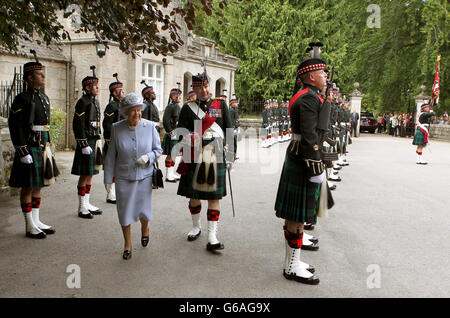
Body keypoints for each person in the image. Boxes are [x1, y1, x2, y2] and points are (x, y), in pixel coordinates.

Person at [274, 56, 329, 285]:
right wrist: (316, 163)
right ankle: (292, 266)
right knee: (296, 217)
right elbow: (309, 135)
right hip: (303, 160)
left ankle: (292, 262)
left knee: (294, 217)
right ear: (311, 77)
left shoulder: (309, 95)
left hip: (298, 157)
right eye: (322, 73)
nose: (325, 76)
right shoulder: (308, 99)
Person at [175, 71, 235, 252]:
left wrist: (231, 156)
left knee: (214, 197)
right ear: (193, 88)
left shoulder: (220, 105)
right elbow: (180, 133)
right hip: (194, 155)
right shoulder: (187, 108)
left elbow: (230, 130)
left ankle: (212, 236)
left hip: (215, 153)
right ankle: (196, 226)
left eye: (206, 86)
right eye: (199, 87)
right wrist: (187, 140)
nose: (204, 90)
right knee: (194, 196)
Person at [104, 93, 162, 260]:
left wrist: (148, 157)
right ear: (125, 112)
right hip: (123, 176)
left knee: (144, 211)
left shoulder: (150, 126)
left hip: (145, 176)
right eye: (133, 111)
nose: (137, 114)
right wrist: (108, 179)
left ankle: (145, 229)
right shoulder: (116, 128)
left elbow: (158, 150)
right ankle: (127, 244)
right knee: (124, 212)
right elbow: (111, 155)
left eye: (139, 110)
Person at [8, 58, 57, 238]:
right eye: (39, 73)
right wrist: (22, 150)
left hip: (42, 145)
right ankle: (29, 225)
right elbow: (15, 125)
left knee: (39, 185)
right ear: (29, 78)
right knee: (28, 186)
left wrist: (48, 146)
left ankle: (36, 220)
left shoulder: (43, 97)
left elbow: (46, 125)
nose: (43, 76)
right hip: (29, 145)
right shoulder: (22, 98)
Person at [71, 67, 103, 219]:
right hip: (86, 142)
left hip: (94, 140)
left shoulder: (95, 102)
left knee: (91, 173)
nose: (98, 88)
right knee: (84, 174)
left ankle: (87, 203)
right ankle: (81, 206)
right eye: (95, 85)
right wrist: (83, 144)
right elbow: (77, 124)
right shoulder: (82, 102)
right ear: (87, 87)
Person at [102, 76, 125, 204]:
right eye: (121, 91)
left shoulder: (122, 105)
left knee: (119, 167)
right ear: (115, 93)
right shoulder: (111, 106)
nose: (123, 92)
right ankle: (110, 192)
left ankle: (116, 191)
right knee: (110, 167)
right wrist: (109, 141)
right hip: (112, 140)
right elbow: (107, 124)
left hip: (121, 140)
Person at [162, 88, 182, 182]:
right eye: (178, 96)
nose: (180, 97)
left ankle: (172, 173)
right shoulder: (170, 107)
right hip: (172, 133)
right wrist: (170, 132)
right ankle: (168, 175)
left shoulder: (177, 106)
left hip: (177, 132)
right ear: (173, 97)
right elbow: (165, 121)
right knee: (170, 154)